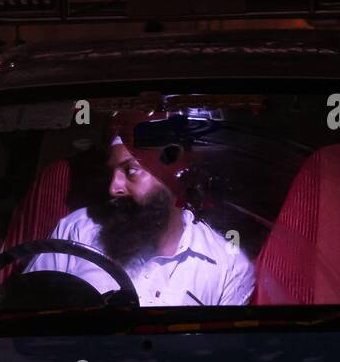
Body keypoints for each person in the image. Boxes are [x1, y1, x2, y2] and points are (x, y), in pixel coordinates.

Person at [24, 127, 255, 306]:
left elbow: (222, 358)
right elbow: (28, 317)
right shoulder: (76, 229)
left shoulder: (230, 267)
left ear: (172, 177)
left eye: (130, 171)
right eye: (111, 173)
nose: (113, 188)